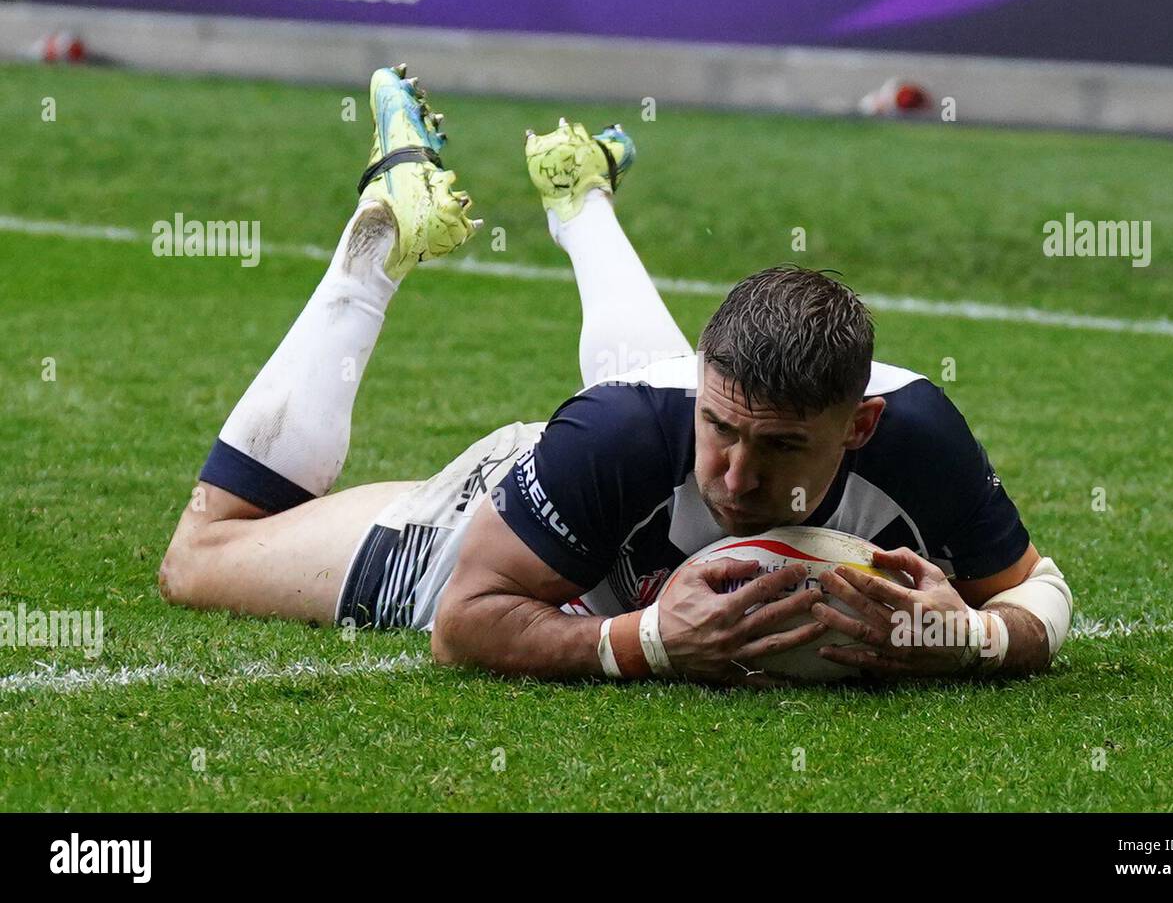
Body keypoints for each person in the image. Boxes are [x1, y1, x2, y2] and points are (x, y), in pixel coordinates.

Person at [160, 66, 1073, 685]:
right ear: (703, 386)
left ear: (859, 426)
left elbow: (1039, 589)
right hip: (511, 510)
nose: (738, 476)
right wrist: (645, 642)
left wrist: (975, 637)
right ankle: (380, 241)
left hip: (622, 461)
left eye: (782, 446)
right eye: (721, 427)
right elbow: (464, 622)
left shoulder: (919, 436)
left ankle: (578, 193)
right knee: (203, 556)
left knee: (649, 432)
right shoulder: (629, 429)